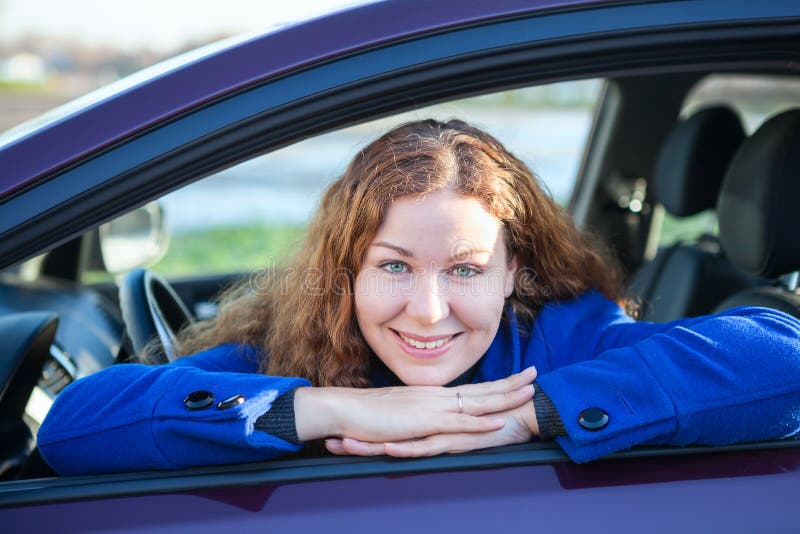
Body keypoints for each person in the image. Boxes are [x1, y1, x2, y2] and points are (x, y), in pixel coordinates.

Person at [38, 119, 800, 475]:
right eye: (395, 267)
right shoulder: (300, 343)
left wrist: (529, 414)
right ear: (347, 272)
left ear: (514, 272)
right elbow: (73, 426)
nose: (428, 311)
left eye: (465, 270)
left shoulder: (567, 336)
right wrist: (328, 409)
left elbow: (784, 360)